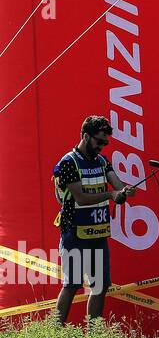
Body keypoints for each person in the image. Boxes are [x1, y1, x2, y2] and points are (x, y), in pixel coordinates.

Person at [52, 116, 135, 325]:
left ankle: (95, 336)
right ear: (85, 136)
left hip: (98, 233)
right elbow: (81, 198)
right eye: (99, 141)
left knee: (100, 285)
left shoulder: (102, 161)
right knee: (72, 284)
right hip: (74, 233)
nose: (102, 146)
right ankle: (55, 332)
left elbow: (116, 184)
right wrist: (110, 195)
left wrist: (124, 191)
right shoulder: (68, 163)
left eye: (106, 143)